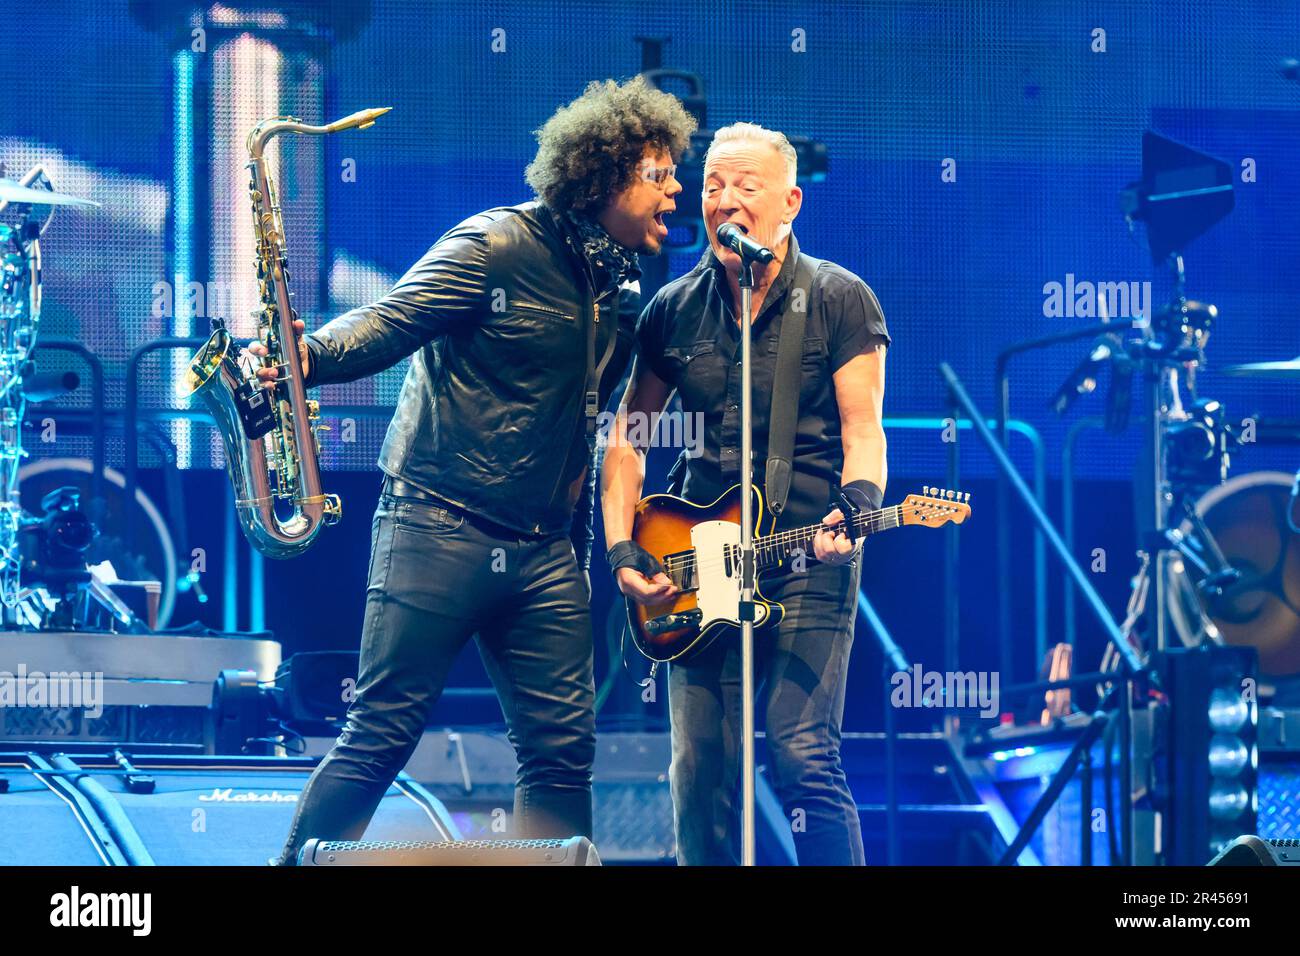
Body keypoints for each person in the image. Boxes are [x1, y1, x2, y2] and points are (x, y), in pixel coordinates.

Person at [258, 77, 694, 865]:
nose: (676, 189)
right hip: (439, 522)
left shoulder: (622, 284)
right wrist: (306, 356)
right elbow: (390, 321)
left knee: (561, 757)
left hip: (546, 550)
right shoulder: (497, 244)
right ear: (604, 174)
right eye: (659, 174)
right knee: (383, 731)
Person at [601, 122, 890, 865]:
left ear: (790, 202)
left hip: (808, 556)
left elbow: (865, 433)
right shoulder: (674, 307)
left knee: (802, 759)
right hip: (702, 556)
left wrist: (857, 506)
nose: (724, 200)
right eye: (711, 186)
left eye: (745, 187)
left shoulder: (839, 298)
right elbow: (629, 437)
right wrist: (624, 543)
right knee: (698, 773)